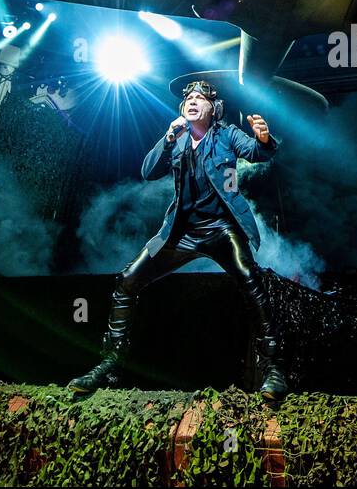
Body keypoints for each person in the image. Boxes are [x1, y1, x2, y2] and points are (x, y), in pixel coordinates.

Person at [68, 80, 289, 399]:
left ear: (215, 109)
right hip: (180, 231)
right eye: (189, 99)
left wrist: (264, 138)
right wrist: (168, 136)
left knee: (250, 279)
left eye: (201, 98)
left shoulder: (226, 134)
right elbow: (148, 171)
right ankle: (110, 366)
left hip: (221, 227)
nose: (193, 101)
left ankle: (274, 370)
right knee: (127, 280)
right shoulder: (177, 137)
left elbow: (256, 152)